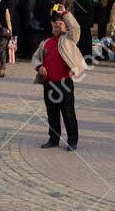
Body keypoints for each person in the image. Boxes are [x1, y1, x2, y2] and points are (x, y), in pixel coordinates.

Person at [35, 11, 84, 150]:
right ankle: (53, 138)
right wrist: (39, 66)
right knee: (52, 113)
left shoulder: (69, 39)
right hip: (49, 83)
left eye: (60, 24)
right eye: (55, 25)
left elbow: (76, 27)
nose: (56, 27)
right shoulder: (46, 42)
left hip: (64, 83)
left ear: (65, 28)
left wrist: (65, 13)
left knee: (68, 112)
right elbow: (35, 57)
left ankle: (72, 141)